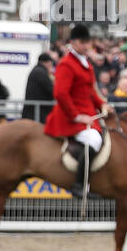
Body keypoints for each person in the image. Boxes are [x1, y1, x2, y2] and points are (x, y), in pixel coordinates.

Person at [43, 24, 112, 197]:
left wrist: (102, 104)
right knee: (94, 140)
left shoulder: (86, 64)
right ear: (73, 42)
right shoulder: (67, 64)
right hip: (69, 117)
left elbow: (90, 91)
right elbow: (60, 93)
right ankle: (79, 185)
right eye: (83, 42)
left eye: (88, 42)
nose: (87, 46)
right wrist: (77, 117)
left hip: (88, 114)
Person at [24, 53, 56, 122]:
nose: (51, 66)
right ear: (47, 63)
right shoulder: (40, 72)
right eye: (50, 64)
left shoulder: (37, 70)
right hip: (38, 113)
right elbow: (52, 90)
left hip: (34, 112)